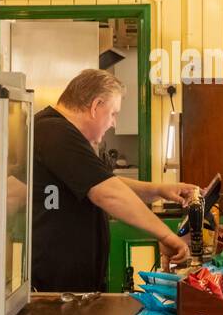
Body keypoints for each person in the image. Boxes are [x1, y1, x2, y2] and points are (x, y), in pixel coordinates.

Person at [32, 69, 194, 293]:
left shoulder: (58, 131)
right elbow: (107, 192)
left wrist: (158, 190)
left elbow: (104, 180)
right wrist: (166, 235)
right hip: (59, 286)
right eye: (113, 113)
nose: (113, 123)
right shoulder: (55, 132)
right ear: (96, 105)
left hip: (73, 283)